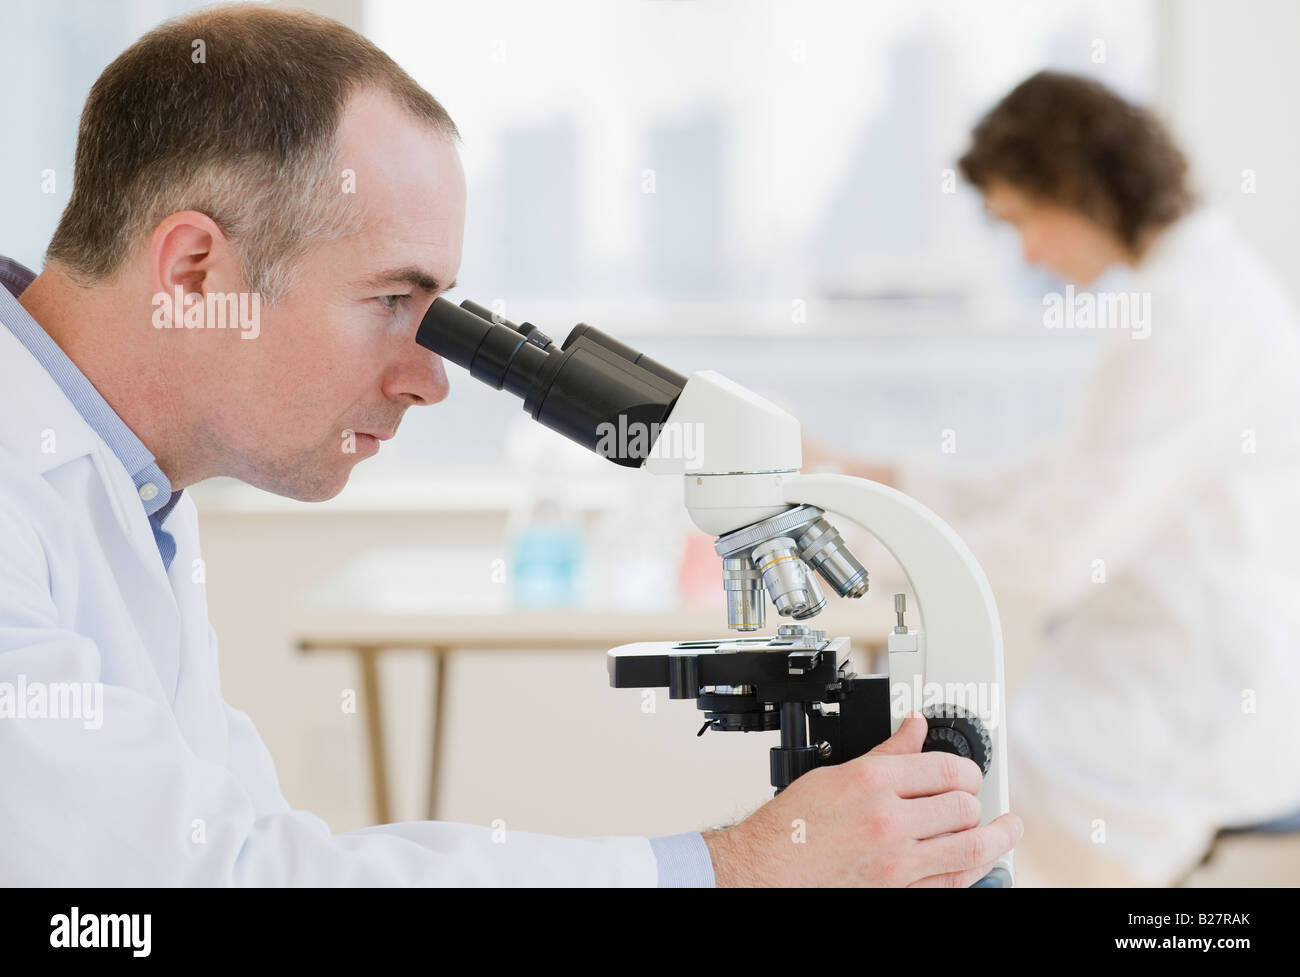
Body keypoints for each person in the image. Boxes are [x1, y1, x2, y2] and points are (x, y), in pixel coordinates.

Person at [0, 4, 1021, 887]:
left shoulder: (130, 491)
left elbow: (256, 848)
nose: (429, 376)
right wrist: (737, 866)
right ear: (191, 272)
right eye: (391, 300)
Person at [812, 71, 1300, 885]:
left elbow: (1057, 551)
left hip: (1186, 710)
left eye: (1021, 220)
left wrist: (863, 548)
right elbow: (1059, 483)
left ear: (1076, 185)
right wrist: (880, 477)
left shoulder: (1185, 317)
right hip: (1166, 679)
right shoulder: (1194, 289)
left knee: (946, 814)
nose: (1029, 253)